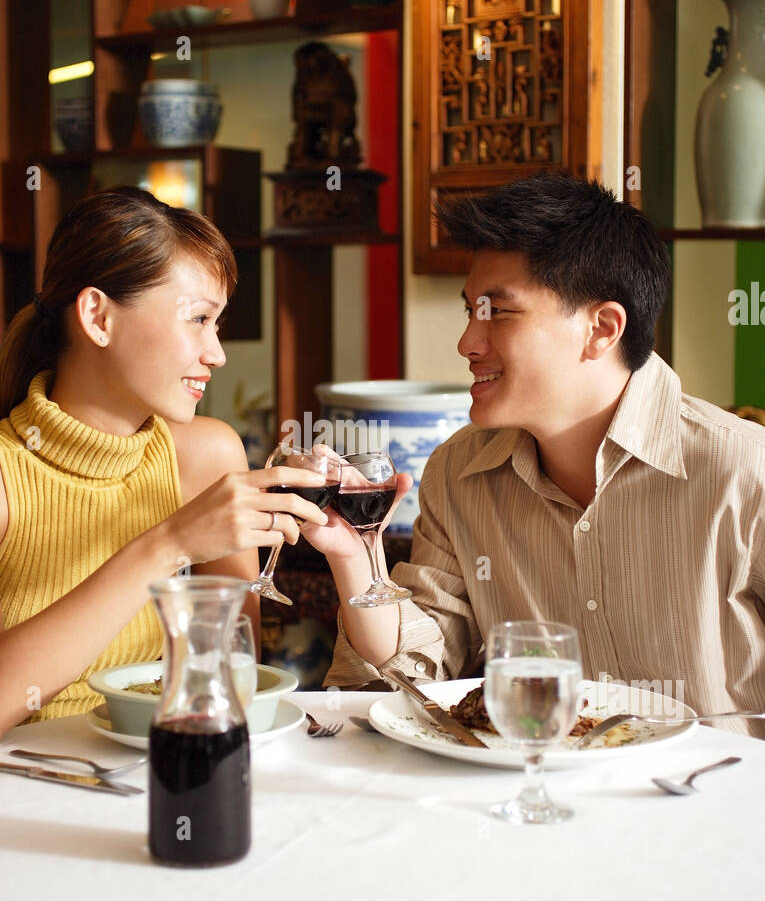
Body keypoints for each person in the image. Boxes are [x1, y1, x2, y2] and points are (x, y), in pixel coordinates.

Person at [305, 170, 765, 735]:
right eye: (470, 308)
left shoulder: (745, 472)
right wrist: (355, 558)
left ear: (601, 328)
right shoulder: (459, 471)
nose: (467, 343)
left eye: (498, 311)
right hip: (527, 803)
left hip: (713, 806)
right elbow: (415, 681)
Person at [0, 187, 329, 758]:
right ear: (97, 317)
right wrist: (171, 542)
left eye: (218, 325)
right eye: (198, 319)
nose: (216, 353)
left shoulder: (207, 456)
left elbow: (229, 674)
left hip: (137, 773)